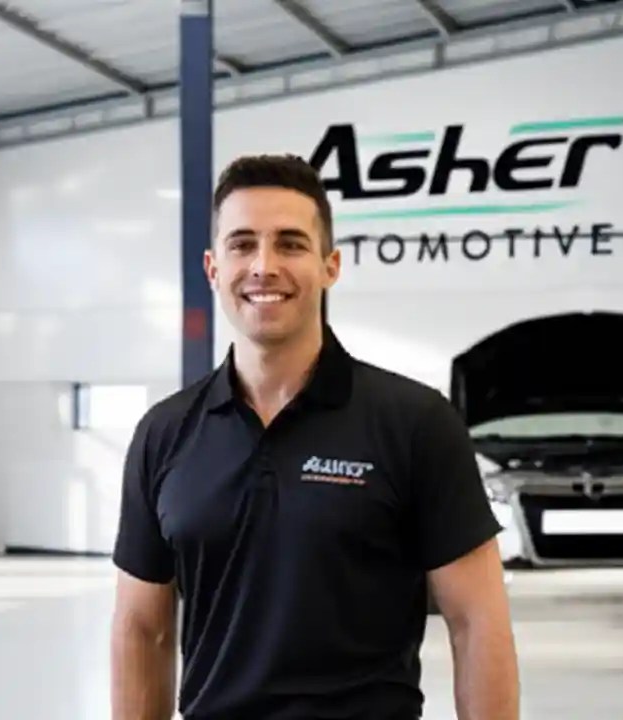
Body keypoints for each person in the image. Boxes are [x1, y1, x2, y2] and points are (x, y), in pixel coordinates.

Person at [110, 153, 520, 720]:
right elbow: (142, 629)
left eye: (290, 244)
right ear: (212, 267)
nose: (263, 265)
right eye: (242, 244)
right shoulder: (165, 433)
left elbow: (476, 622)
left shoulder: (416, 424)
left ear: (331, 265)